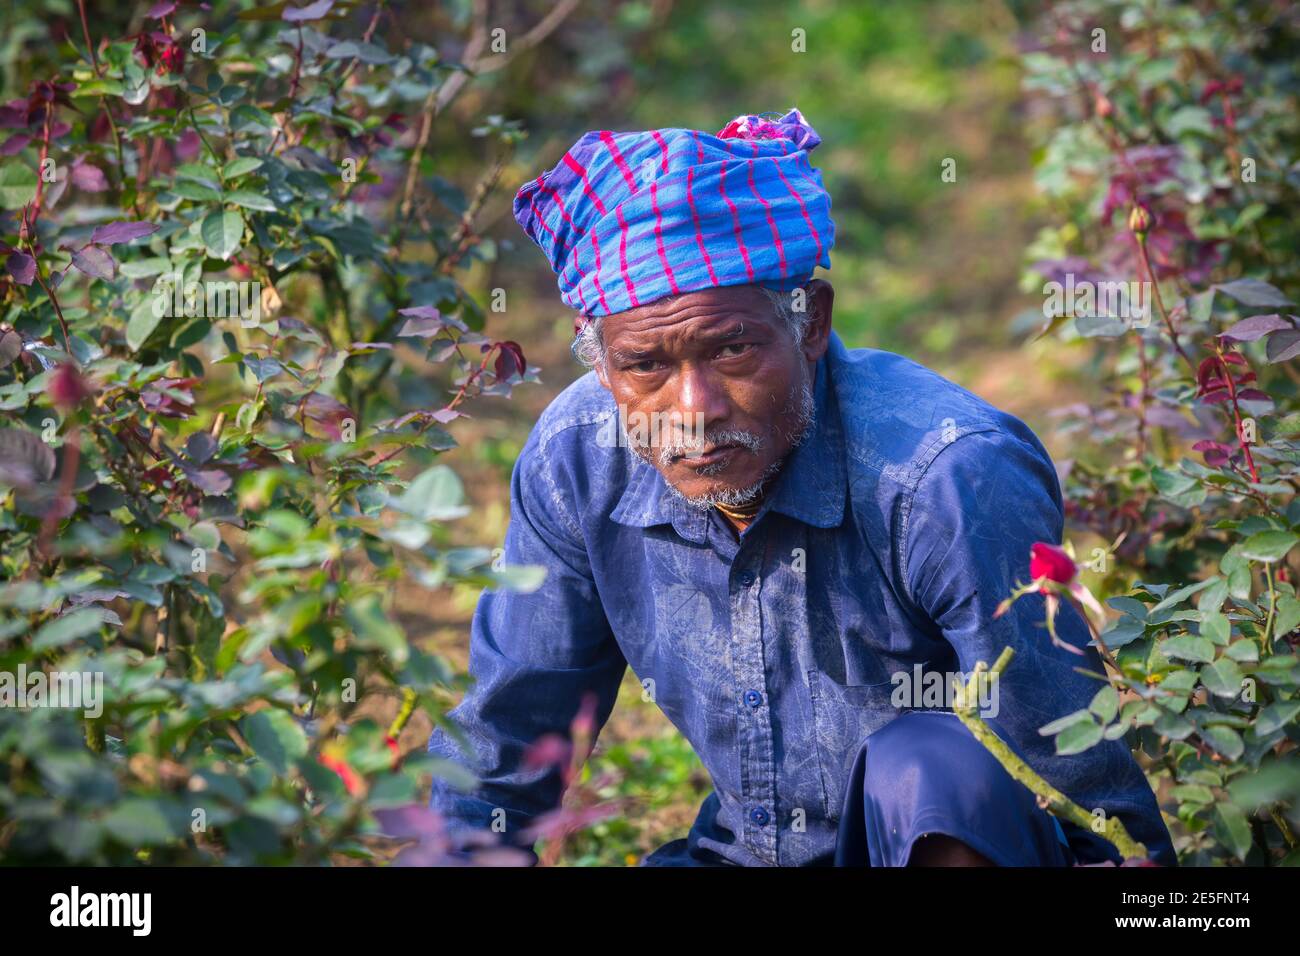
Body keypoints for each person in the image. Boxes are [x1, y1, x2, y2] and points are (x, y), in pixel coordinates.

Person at [426, 108, 1175, 867]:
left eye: (733, 348)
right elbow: (506, 747)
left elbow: (1087, 801)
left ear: (809, 324)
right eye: (645, 365)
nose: (694, 411)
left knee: (929, 766)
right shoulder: (575, 459)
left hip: (932, 848)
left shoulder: (945, 478)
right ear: (602, 364)